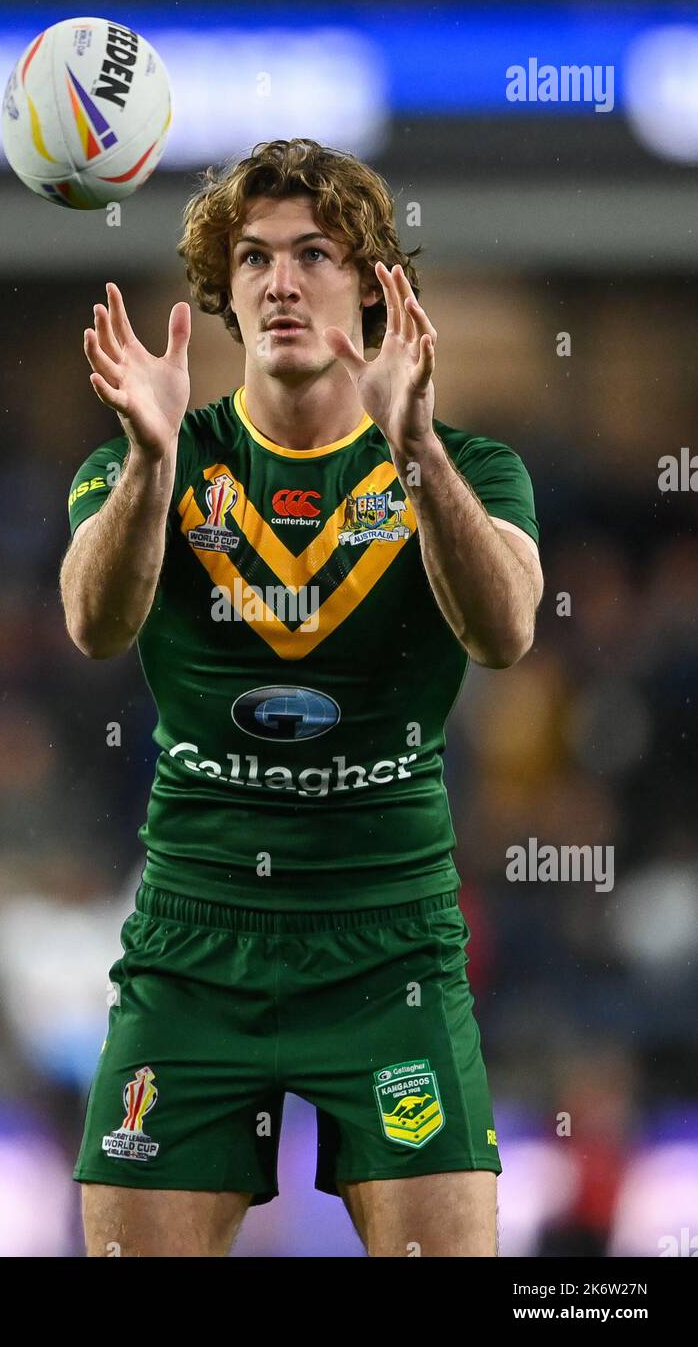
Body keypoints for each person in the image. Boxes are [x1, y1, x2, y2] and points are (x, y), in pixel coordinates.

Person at [60, 138, 543, 1257]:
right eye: (254, 259)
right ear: (222, 292)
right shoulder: (154, 458)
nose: (280, 280)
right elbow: (94, 623)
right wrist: (146, 461)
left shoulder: (467, 464)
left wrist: (412, 444)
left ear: (372, 285)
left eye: (314, 253)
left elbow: (505, 632)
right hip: (193, 945)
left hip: (391, 950)